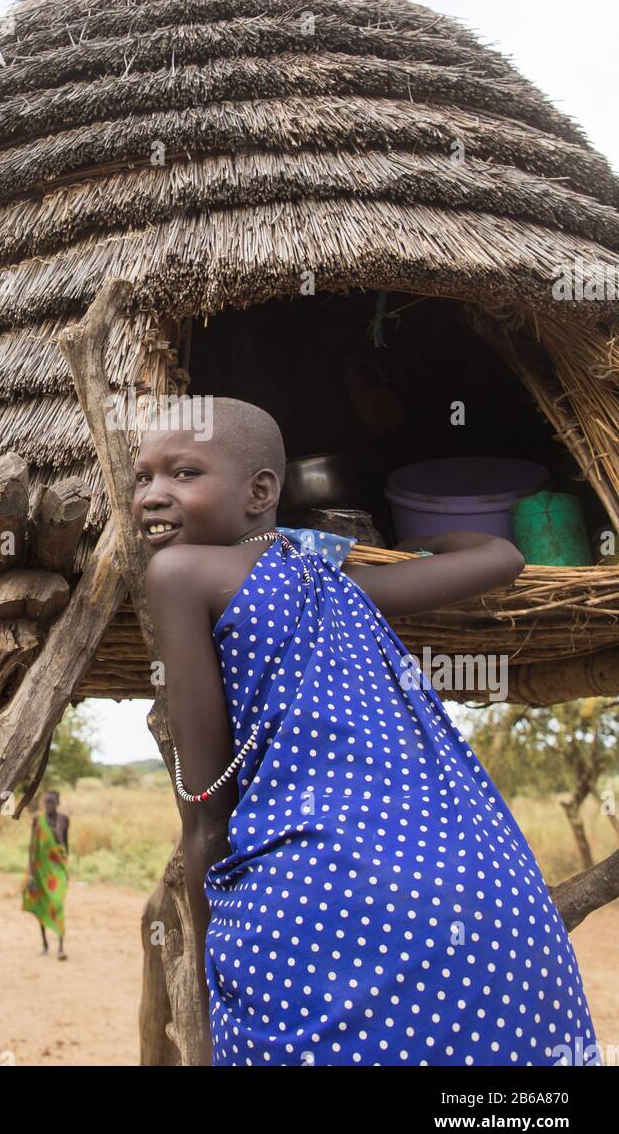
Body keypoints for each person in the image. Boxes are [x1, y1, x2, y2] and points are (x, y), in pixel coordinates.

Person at [137, 395, 600, 1067]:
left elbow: (206, 812)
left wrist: (214, 1002)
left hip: (333, 902)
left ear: (261, 491)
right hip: (498, 903)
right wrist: (397, 547)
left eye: (182, 474)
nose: (152, 495)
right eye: (141, 477)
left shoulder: (178, 571)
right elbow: (498, 555)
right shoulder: (342, 587)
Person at [21, 790, 69, 959]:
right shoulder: (37, 821)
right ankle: (45, 943)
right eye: (46, 802)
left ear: (57, 803)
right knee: (42, 904)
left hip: (58, 870)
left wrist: (66, 869)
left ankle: (61, 947)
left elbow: (65, 846)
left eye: (52, 802)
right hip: (41, 869)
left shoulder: (64, 820)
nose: (48, 806)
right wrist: (31, 874)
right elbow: (32, 847)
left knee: (57, 904)